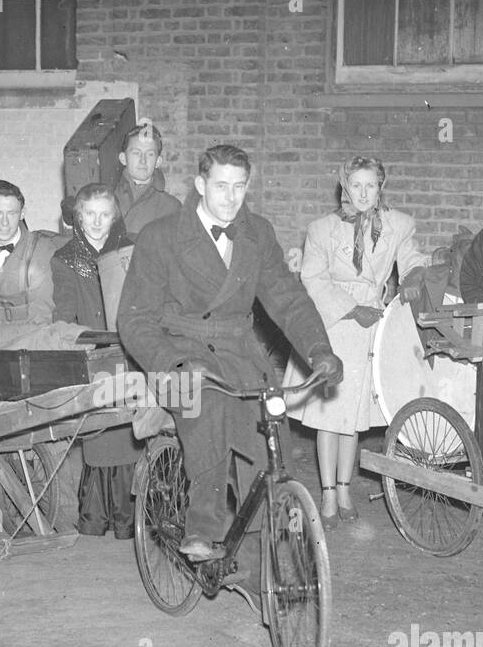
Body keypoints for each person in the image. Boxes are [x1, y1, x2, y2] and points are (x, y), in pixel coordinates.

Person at [119, 143, 343, 560]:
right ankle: (201, 526)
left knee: (271, 434)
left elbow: (287, 298)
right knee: (207, 410)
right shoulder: (161, 236)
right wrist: (171, 363)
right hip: (179, 353)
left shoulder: (256, 232)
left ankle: (271, 548)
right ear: (200, 184)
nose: (230, 198)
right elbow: (134, 320)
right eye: (221, 186)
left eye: (239, 187)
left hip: (240, 352)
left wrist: (319, 349)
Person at [284, 156, 426, 527]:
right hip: (334, 325)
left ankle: (345, 489)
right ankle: (328, 495)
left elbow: (411, 258)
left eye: (371, 185)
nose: (363, 193)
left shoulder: (398, 225)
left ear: (381, 186)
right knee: (329, 415)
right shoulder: (322, 229)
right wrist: (350, 309)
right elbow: (313, 279)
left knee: (354, 417)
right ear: (345, 187)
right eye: (356, 186)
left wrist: (413, 277)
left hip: (372, 326)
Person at [52, 183, 137, 538]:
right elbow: (66, 312)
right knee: (101, 431)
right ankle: (98, 516)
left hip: (129, 348)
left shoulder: (129, 247)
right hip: (94, 351)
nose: (97, 221)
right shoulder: (66, 258)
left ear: (114, 215)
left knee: (128, 427)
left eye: (104, 214)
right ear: (78, 216)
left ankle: (130, 516)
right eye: (90, 214)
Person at [0, 180, 56, 326]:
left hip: (29, 332)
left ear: (22, 214)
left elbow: (42, 312)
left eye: (11, 213)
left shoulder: (42, 250)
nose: (5, 222)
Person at [114, 123, 182, 236]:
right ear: (123, 158)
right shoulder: (106, 198)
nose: (143, 160)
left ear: (158, 161)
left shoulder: (171, 208)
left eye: (150, 154)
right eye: (136, 153)